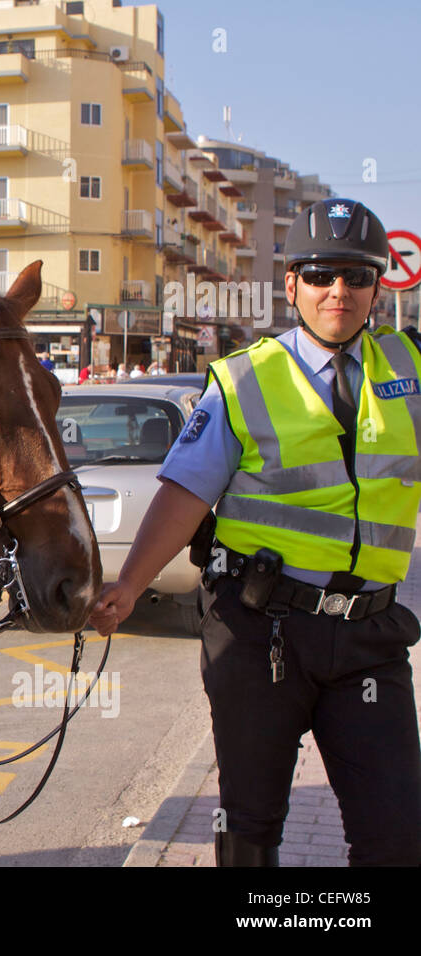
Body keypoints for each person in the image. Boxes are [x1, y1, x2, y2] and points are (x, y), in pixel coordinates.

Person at [89, 198, 421, 866]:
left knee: (397, 835)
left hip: (370, 635)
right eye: (322, 274)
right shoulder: (242, 379)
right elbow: (185, 494)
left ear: (377, 288)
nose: (340, 291)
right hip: (261, 631)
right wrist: (129, 586)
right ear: (292, 284)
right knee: (250, 828)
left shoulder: (407, 368)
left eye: (358, 276)